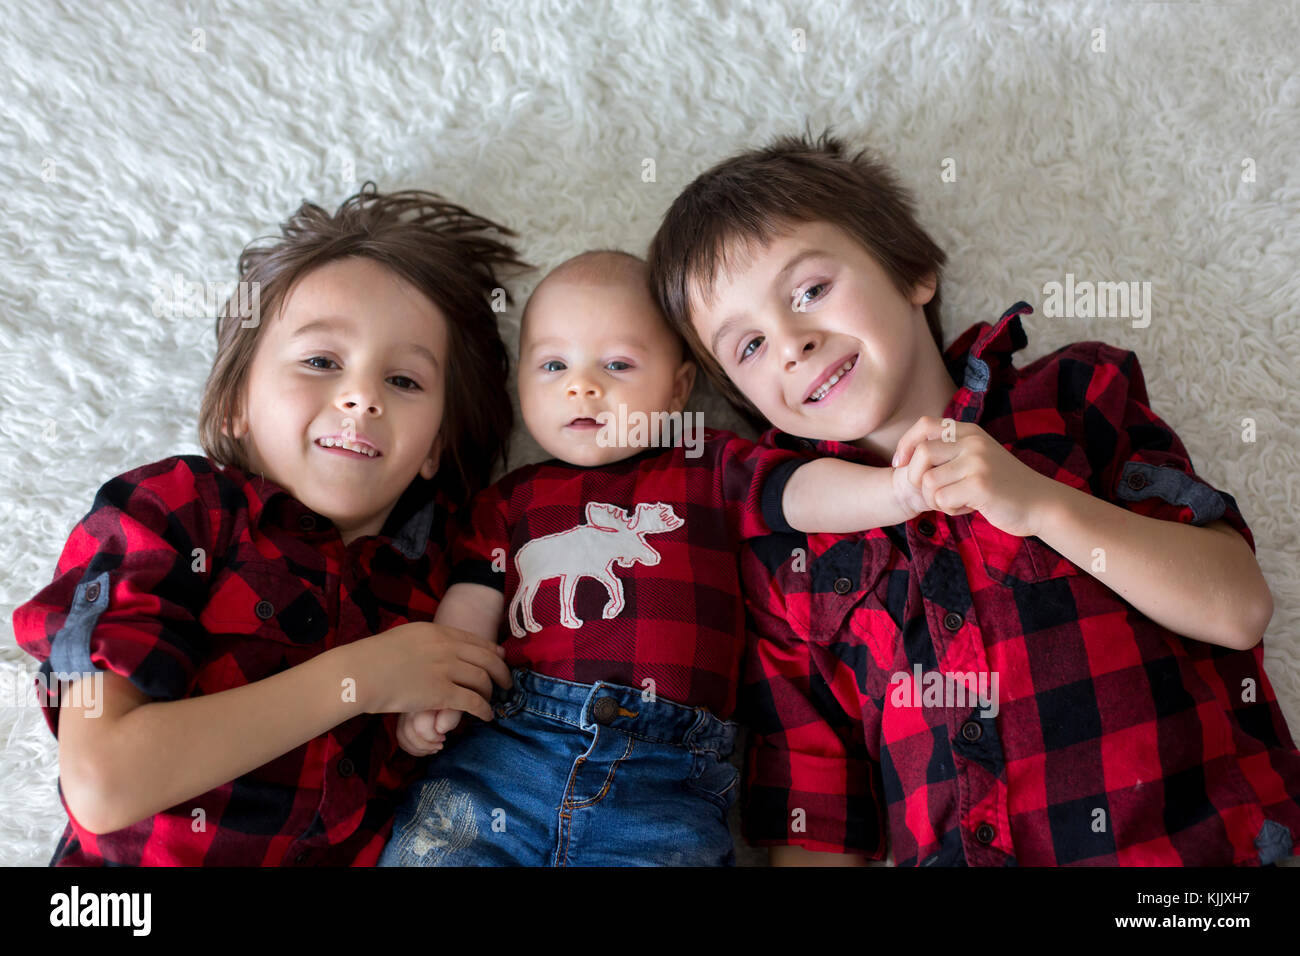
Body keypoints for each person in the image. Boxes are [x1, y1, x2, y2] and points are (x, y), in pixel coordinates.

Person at [646, 130, 1300, 866]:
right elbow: (819, 813)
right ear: (747, 400)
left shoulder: (1073, 399)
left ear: (913, 270)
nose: (792, 341)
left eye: (811, 290)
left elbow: (1237, 607)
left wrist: (1040, 504)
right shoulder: (786, 563)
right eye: (750, 347)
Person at [13, 186, 519, 865]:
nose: (362, 395)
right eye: (320, 361)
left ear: (434, 447)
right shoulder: (175, 508)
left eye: (404, 380)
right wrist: (360, 680)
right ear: (235, 407)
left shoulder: (439, 580)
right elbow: (104, 781)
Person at [378, 249, 931, 866]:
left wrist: (896, 490)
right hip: (506, 751)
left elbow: (797, 493)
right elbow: (474, 599)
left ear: (678, 388)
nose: (581, 386)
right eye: (553, 364)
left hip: (667, 778)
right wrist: (437, 690)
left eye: (617, 364)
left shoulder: (708, 464)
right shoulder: (510, 497)